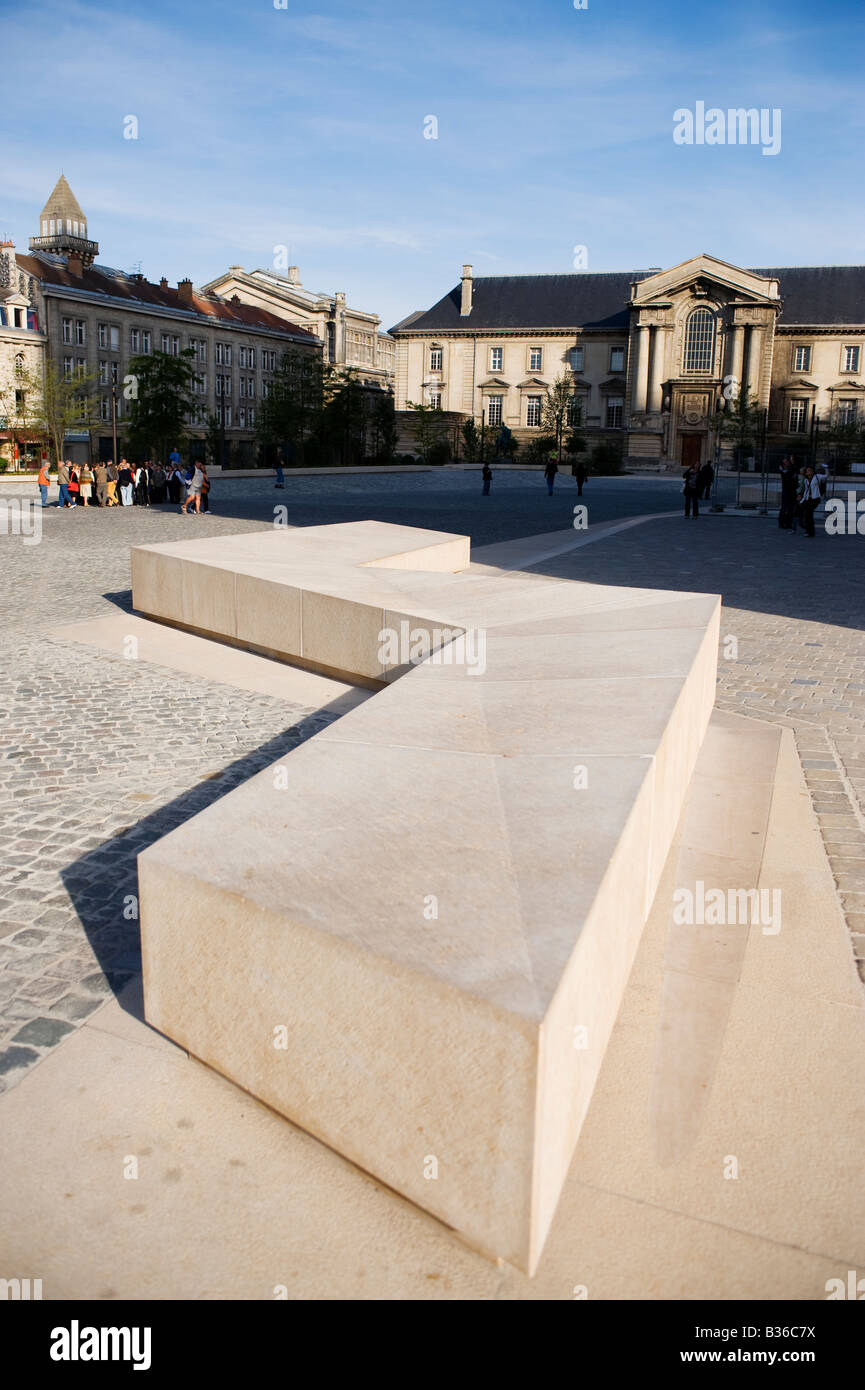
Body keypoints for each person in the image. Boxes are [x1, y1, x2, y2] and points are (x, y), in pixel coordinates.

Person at [799, 465, 821, 537]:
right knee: (808, 515)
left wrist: (826, 468)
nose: (809, 471)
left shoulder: (817, 477)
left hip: (815, 498)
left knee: (808, 514)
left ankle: (809, 531)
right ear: (806, 473)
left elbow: (827, 476)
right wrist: (802, 500)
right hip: (808, 499)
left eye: (810, 470)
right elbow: (806, 491)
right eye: (808, 470)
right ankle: (810, 531)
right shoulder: (806, 480)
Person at [778, 456, 797, 529]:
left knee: (791, 508)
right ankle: (782, 523)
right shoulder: (783, 470)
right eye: (785, 461)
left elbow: (794, 469)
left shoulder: (791, 469)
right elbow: (787, 476)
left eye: (788, 461)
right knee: (784, 507)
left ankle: (788, 523)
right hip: (786, 491)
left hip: (792, 490)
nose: (787, 462)